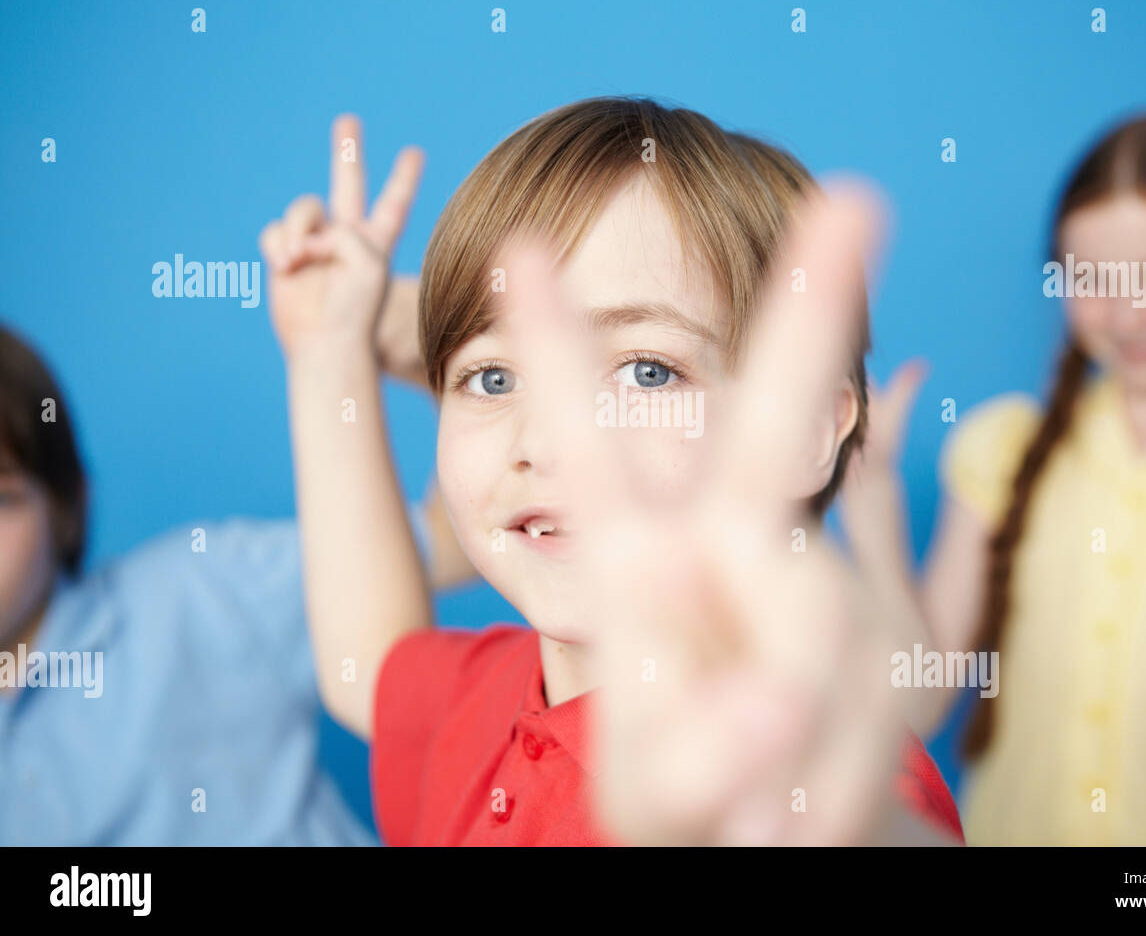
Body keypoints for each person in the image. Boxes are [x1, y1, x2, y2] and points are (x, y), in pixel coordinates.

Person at [260, 97, 965, 845]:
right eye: (493, 378)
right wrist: (331, 348)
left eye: (649, 372)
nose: (552, 439)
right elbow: (366, 662)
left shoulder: (802, 776)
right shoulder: (481, 697)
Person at [851, 109, 1146, 845]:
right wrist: (871, 500)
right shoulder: (1003, 448)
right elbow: (919, 704)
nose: (1128, 312)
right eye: (1093, 279)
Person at [0, 304, 475, 844]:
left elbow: (452, 541)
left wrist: (429, 339)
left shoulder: (203, 592)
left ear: (65, 510)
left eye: (2, 499)